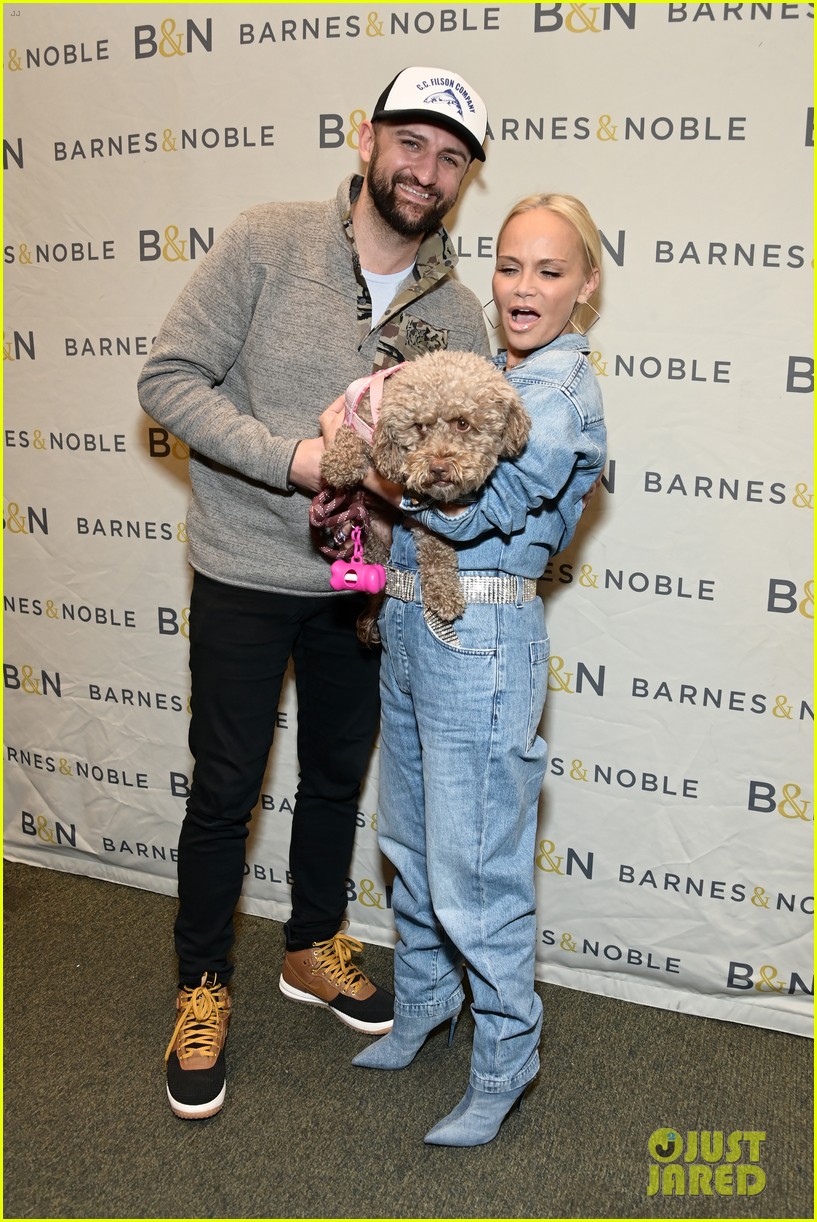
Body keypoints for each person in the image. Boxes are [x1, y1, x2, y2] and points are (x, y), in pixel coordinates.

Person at [137, 65, 492, 1121]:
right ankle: (202, 986)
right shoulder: (265, 238)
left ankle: (308, 944)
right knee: (225, 787)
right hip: (245, 568)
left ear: (464, 178)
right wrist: (296, 459)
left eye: (451, 158)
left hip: (362, 585)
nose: (425, 172)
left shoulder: (459, 307)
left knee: (337, 776)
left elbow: (456, 459)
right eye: (411, 144)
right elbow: (168, 380)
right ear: (365, 138)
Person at [322, 193, 606, 1146]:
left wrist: (371, 467)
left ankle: (506, 1056)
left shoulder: (559, 393)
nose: (524, 288)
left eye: (550, 270)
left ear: (586, 287)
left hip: (480, 641)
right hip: (407, 627)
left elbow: (470, 505)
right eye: (512, 266)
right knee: (407, 843)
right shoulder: (486, 372)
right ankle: (428, 1005)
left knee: (474, 871)